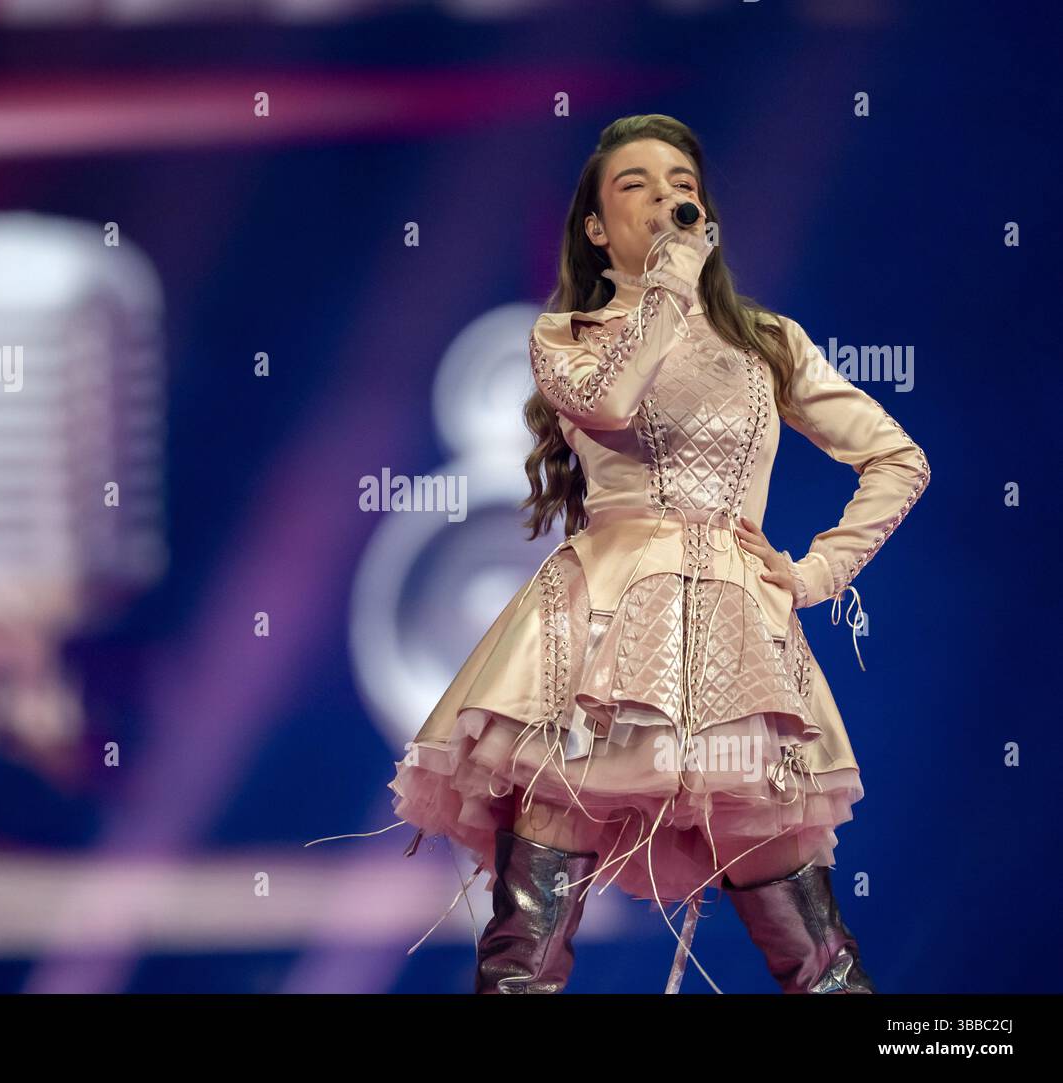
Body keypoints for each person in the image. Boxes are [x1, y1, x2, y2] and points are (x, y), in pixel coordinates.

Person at [383, 114, 931, 994]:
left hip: (738, 648)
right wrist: (669, 290)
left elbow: (898, 458)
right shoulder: (568, 337)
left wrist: (816, 573)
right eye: (634, 186)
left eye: (681, 181)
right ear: (597, 227)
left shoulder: (768, 341)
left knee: (822, 966)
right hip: (595, 646)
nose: (666, 196)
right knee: (525, 958)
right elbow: (611, 403)